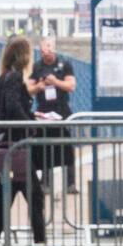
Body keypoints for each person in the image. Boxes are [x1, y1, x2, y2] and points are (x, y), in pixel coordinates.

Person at [0, 36, 71, 246]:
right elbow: (13, 108)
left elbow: (9, 107)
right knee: (32, 197)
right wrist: (31, 125)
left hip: (8, 147)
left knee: (6, 201)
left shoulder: (4, 77)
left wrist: (34, 116)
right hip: (16, 149)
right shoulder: (14, 77)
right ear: (23, 55)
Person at [29, 36, 78, 194]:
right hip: (44, 110)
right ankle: (46, 183)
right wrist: (40, 86)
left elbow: (71, 86)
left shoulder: (64, 64)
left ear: (54, 48)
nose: (47, 51)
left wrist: (56, 82)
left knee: (67, 145)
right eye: (44, 48)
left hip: (62, 109)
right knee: (45, 146)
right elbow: (29, 89)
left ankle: (70, 183)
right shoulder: (37, 66)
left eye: (50, 47)